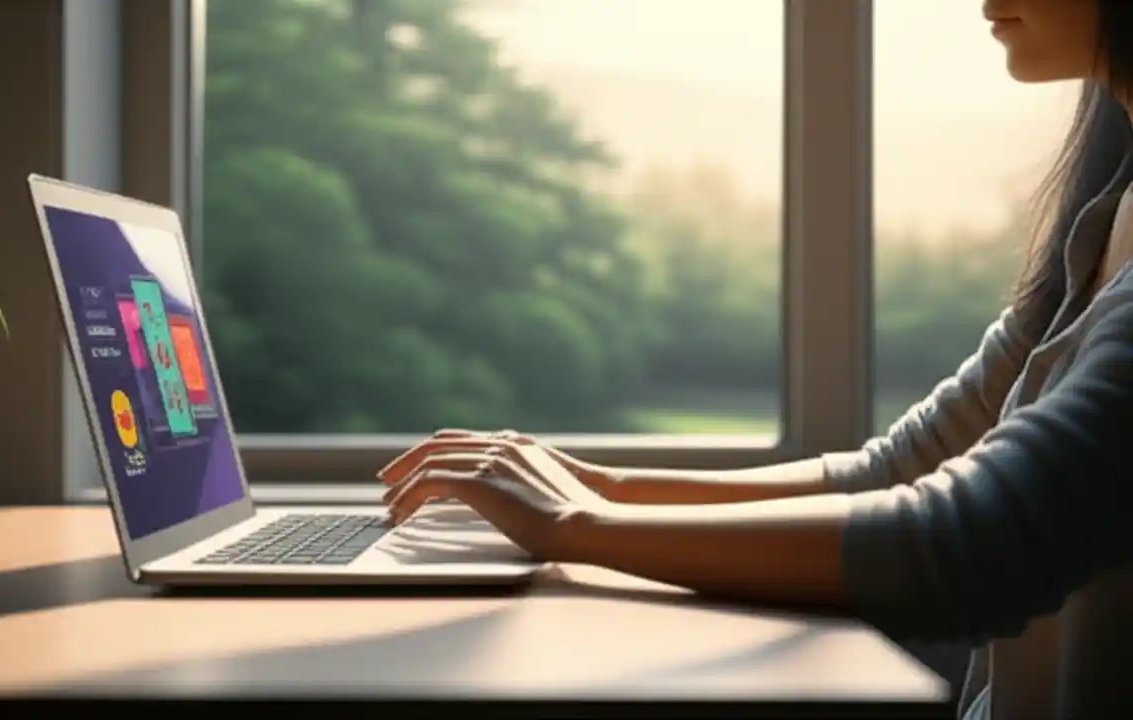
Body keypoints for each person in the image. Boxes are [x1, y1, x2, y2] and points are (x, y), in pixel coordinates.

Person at [377, 2, 1133, 718]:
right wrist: (598, 486)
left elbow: (971, 541)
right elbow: (903, 469)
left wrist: (576, 525)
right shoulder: (1110, 207)